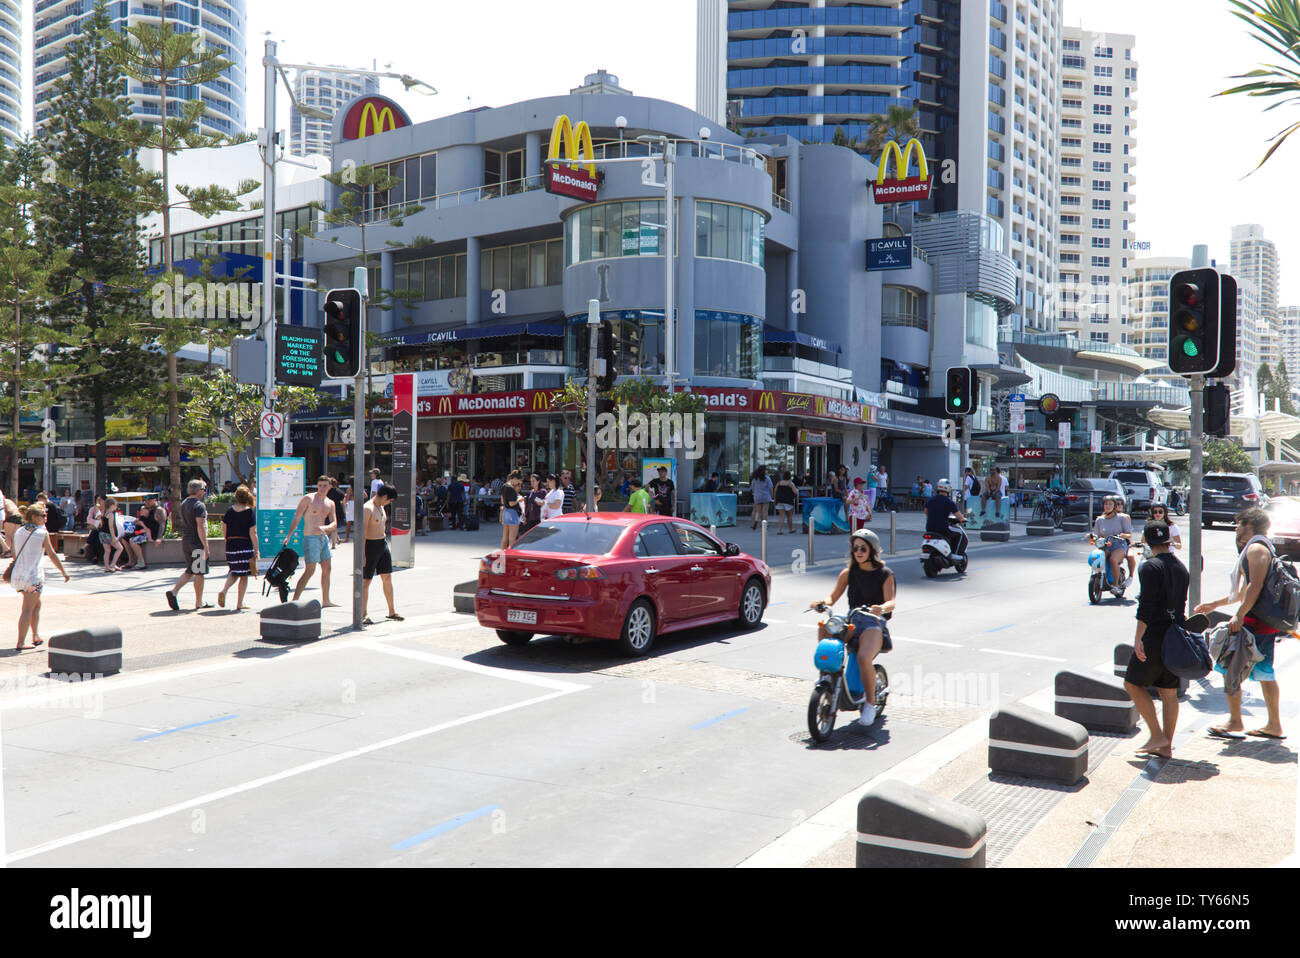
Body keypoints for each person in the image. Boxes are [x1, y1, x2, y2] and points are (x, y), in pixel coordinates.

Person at [1195, 507, 1286, 741]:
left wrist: (1239, 615)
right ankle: (1272, 724)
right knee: (1263, 672)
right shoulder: (1260, 547)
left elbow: (1254, 586)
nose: (1236, 527)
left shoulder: (1256, 549)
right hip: (1260, 622)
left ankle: (1237, 721)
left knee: (1230, 668)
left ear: (1250, 525)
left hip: (1256, 623)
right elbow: (1244, 590)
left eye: (1239, 523)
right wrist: (1215, 604)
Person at [810, 529, 896, 727]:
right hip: (853, 619)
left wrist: (880, 608)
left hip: (873, 622)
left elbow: (891, 602)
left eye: (863, 548)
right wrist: (822, 603)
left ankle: (869, 703)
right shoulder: (848, 573)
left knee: (863, 657)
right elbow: (833, 597)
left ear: (872, 550)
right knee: (825, 628)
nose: (858, 551)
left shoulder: (885, 573)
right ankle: (827, 678)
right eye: (855, 548)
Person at [1124, 519, 1189, 758]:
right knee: (1168, 692)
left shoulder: (1149, 566)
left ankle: (1156, 735)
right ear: (1167, 540)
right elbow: (1180, 605)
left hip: (1155, 635)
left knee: (1132, 683)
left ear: (1148, 542)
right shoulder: (1181, 568)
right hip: (1176, 635)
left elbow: (1146, 607)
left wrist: (1138, 638)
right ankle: (1165, 746)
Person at [11, 503, 70, 651]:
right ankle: (21, 642)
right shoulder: (42, 533)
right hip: (34, 577)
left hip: (19, 576)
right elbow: (52, 554)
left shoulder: (19, 531)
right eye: (42, 515)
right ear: (34, 517)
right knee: (27, 609)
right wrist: (63, 572)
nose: (45, 518)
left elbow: (13, 551)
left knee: (36, 605)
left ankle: (35, 635)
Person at [283, 476, 339, 608]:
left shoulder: (330, 503)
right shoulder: (308, 499)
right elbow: (297, 517)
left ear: (330, 486)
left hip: (322, 537)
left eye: (325, 485)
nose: (322, 488)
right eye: (320, 485)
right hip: (310, 538)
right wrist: (289, 535)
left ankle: (326, 600)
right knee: (310, 571)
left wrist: (326, 529)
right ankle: (294, 600)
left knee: (327, 568)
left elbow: (334, 523)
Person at [166, 479, 211, 611]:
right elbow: (200, 526)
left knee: (191, 570)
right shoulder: (199, 505)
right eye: (203, 489)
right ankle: (198, 602)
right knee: (199, 573)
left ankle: (174, 592)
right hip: (197, 542)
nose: (204, 492)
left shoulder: (184, 503)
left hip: (186, 541)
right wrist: (206, 545)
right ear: (198, 491)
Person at [362, 484, 404, 625]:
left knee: (387, 577)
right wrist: (362, 554)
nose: (389, 503)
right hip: (370, 546)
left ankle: (391, 611)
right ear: (385, 497)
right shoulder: (368, 508)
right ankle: (363, 613)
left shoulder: (381, 507)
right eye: (389, 501)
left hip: (382, 543)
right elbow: (362, 533)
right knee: (366, 581)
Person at [215, 485, 259, 611]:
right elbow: (253, 532)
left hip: (231, 544)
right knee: (244, 575)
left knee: (234, 571)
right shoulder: (249, 511)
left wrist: (227, 538)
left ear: (236, 497)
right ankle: (239, 603)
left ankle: (224, 590)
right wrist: (256, 548)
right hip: (244, 545)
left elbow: (224, 527)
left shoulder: (229, 510)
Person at [1088, 495, 1132, 590]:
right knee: (1098, 558)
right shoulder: (1099, 519)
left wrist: (1123, 535)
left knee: (1113, 560)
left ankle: (1115, 585)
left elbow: (1129, 534)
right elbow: (1096, 534)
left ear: (1114, 506)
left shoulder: (1122, 518)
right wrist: (1091, 537)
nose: (1108, 506)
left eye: (1110, 504)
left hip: (1119, 544)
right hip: (1105, 545)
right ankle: (1100, 576)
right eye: (1106, 504)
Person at [925, 479, 968, 559]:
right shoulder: (949, 502)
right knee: (960, 533)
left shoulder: (931, 500)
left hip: (929, 528)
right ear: (948, 489)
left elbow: (926, 511)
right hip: (943, 528)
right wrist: (963, 519)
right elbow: (959, 517)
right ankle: (956, 554)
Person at [99, 497, 126, 573]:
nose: (116, 507)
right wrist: (114, 537)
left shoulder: (104, 512)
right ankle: (113, 564)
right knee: (120, 548)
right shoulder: (111, 514)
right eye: (115, 505)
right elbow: (111, 527)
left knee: (107, 551)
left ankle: (107, 567)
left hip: (102, 533)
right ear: (111, 505)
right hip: (108, 534)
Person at [500, 471, 522, 549]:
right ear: (515, 479)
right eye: (518, 482)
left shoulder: (504, 486)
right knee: (512, 539)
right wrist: (519, 500)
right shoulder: (511, 488)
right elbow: (511, 503)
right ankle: (510, 556)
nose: (518, 484)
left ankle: (502, 557)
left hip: (505, 512)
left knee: (504, 538)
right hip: (512, 513)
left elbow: (502, 501)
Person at [327, 477, 346, 547]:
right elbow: (344, 501)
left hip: (329, 510)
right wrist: (344, 511)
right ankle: (337, 539)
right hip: (338, 510)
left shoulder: (327, 492)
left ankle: (333, 544)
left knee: (333, 527)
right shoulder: (339, 491)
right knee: (334, 527)